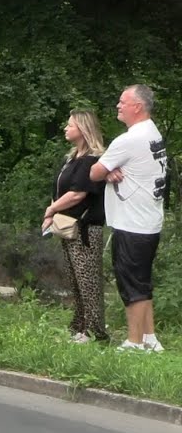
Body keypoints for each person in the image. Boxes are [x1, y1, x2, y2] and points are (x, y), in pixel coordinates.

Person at [90, 84, 167, 352]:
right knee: (142, 282)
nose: (118, 106)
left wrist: (107, 171)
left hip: (131, 222)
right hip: (149, 220)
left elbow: (94, 172)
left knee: (130, 284)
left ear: (137, 106)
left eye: (123, 102)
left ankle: (133, 342)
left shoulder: (128, 139)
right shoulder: (152, 133)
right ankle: (150, 338)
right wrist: (112, 171)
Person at [41, 110, 108, 343]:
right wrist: (52, 213)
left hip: (86, 228)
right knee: (75, 280)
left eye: (70, 125)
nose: (65, 129)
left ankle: (95, 332)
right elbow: (59, 191)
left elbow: (77, 194)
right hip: (67, 226)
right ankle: (79, 326)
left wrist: (51, 210)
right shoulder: (71, 159)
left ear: (83, 129)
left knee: (88, 280)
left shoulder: (92, 160)